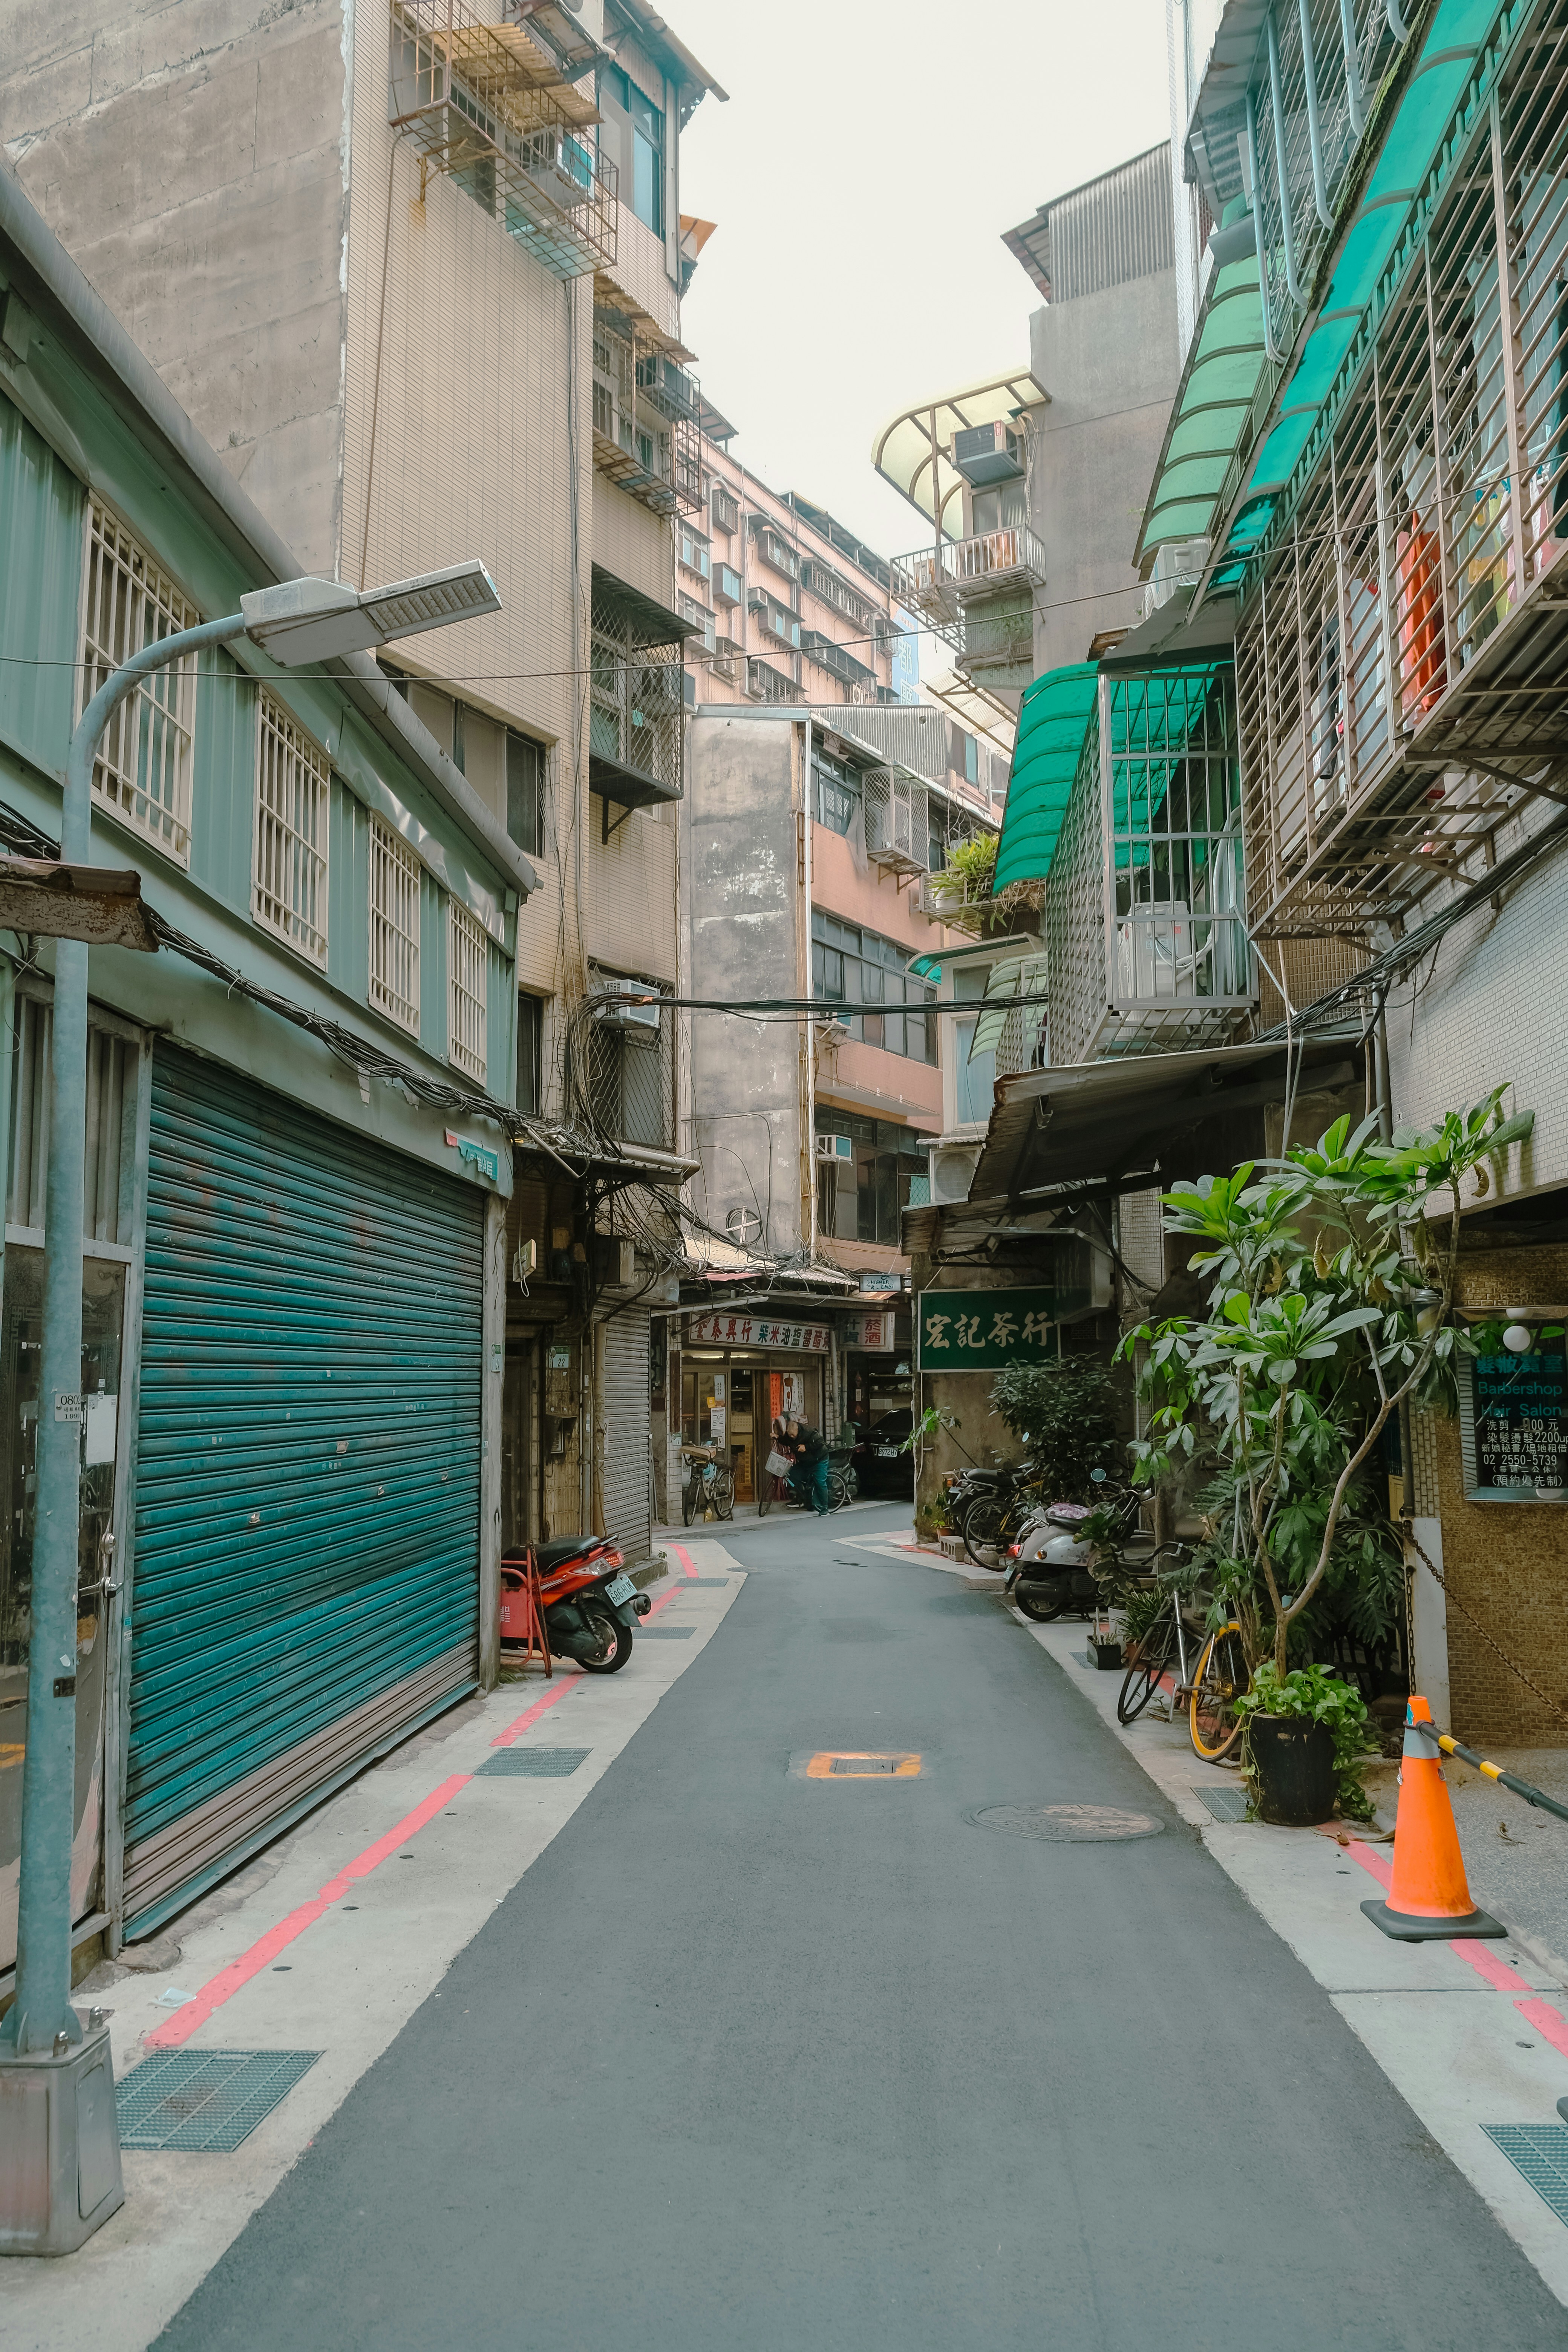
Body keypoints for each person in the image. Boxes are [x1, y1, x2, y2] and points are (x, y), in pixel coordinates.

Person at [786, 1415, 830, 1517]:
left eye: (793, 1435)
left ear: (797, 1430)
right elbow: (785, 1440)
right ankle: (800, 1498)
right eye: (790, 1435)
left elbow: (821, 1443)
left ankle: (825, 1508)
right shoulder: (790, 1436)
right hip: (805, 1461)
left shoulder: (809, 1432)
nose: (792, 1437)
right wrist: (777, 1437)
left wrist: (806, 1447)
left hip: (819, 1460)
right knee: (792, 1476)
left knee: (820, 1482)